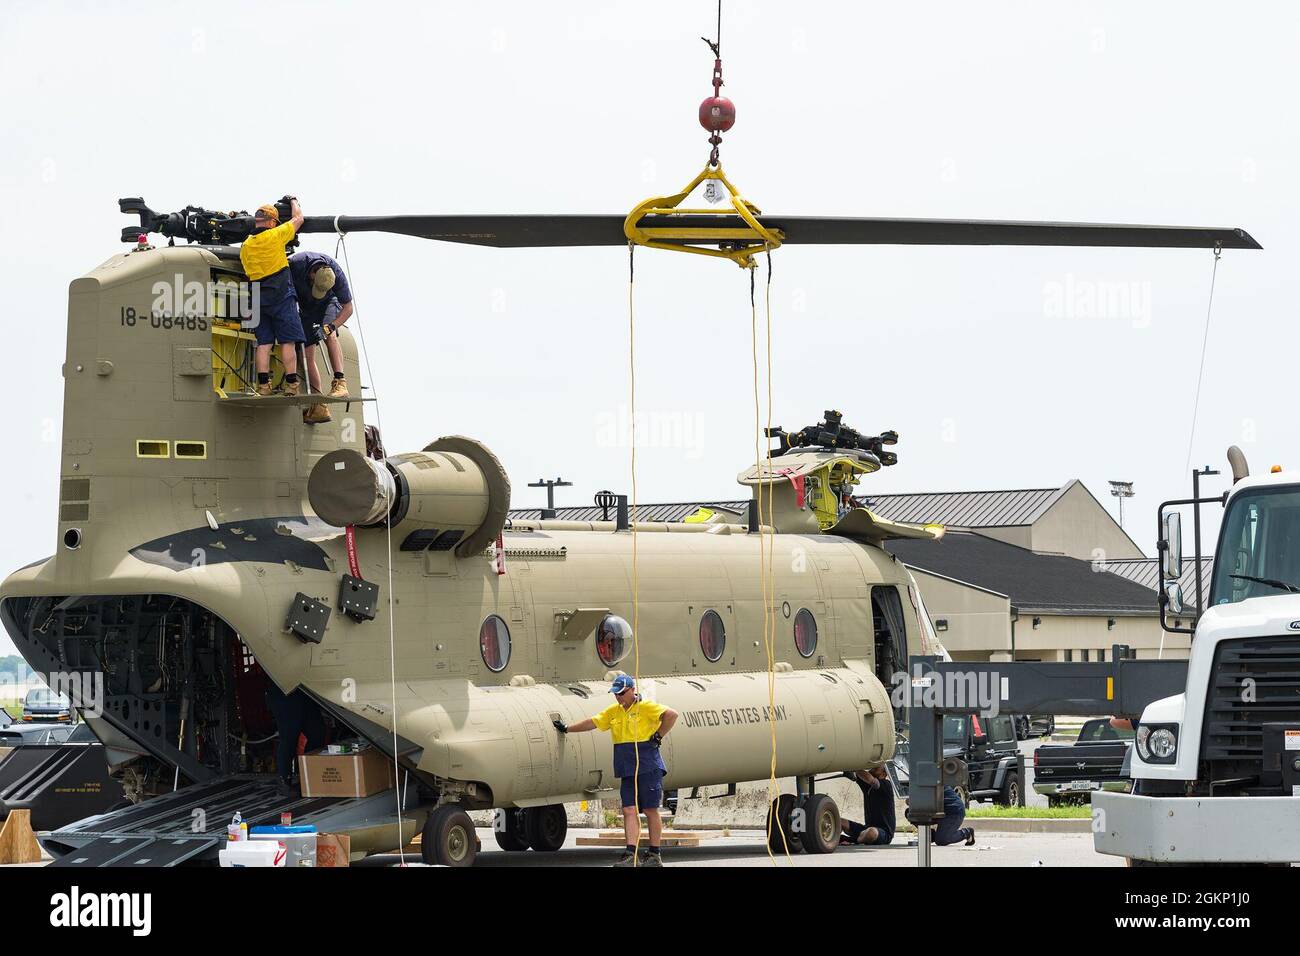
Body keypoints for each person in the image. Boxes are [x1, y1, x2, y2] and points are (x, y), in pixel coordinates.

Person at [553, 674, 678, 866]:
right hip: (626, 767)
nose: (618, 697)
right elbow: (592, 723)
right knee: (629, 809)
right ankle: (631, 854)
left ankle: (654, 854)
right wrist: (568, 728)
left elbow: (672, 715)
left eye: (621, 693)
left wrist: (658, 736)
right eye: (615, 694)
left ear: (632, 690)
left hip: (647, 765)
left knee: (650, 809)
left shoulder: (646, 707)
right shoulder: (614, 711)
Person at [239, 198, 306, 397]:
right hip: (280, 294)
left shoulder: (245, 246)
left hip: (257, 296)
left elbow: (247, 272)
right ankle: (292, 385)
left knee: (264, 343)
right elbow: (298, 218)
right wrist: (293, 200)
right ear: (270, 222)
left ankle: (263, 387)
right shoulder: (276, 235)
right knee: (287, 341)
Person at [289, 251, 353, 424]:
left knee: (329, 335)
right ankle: (319, 405)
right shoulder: (296, 264)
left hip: (329, 303)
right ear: (311, 274)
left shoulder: (337, 275)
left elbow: (348, 308)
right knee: (306, 354)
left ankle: (340, 381)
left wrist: (331, 325)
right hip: (307, 309)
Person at [264, 684, 327, 789]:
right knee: (289, 738)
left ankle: (308, 774)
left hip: (304, 692)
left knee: (317, 733)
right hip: (285, 693)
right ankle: (284, 779)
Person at [841, 766, 896, 846]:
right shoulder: (867, 786)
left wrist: (855, 767)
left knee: (871, 832)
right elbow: (858, 777)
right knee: (839, 821)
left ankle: (852, 840)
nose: (872, 769)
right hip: (866, 829)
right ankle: (834, 839)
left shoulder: (886, 785)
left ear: (884, 774)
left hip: (883, 833)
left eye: (876, 768)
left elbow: (871, 780)